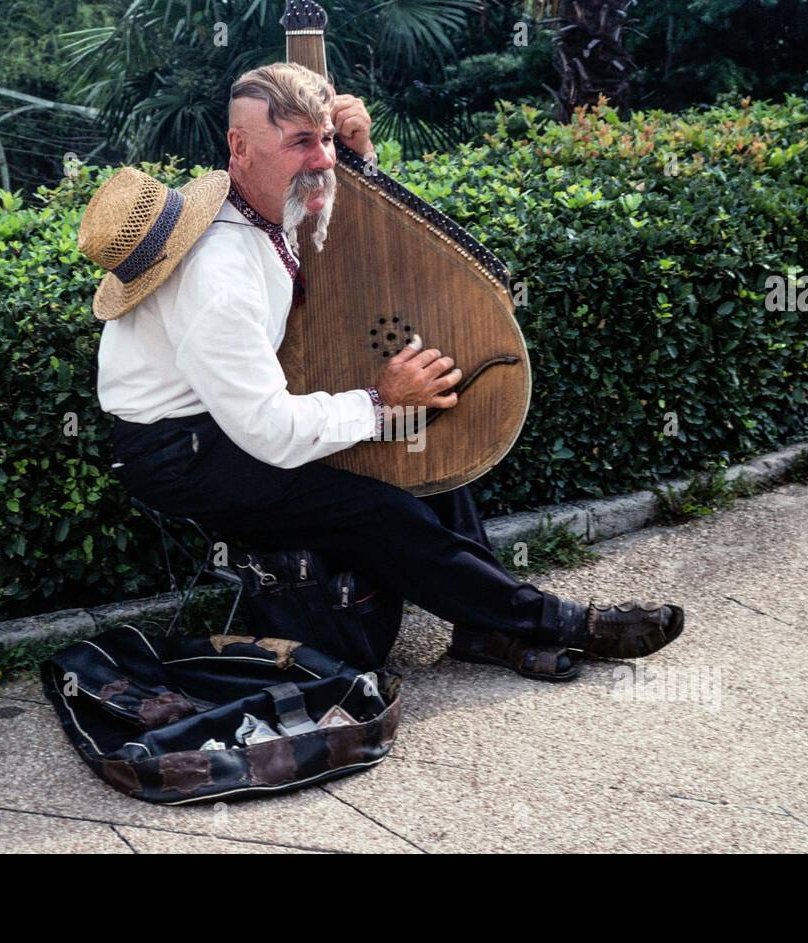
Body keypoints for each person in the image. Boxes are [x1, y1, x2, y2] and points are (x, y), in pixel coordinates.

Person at [80, 62, 685, 682]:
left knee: (420, 443)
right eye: (300, 143)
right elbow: (269, 432)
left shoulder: (265, 195)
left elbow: (353, 228)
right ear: (240, 148)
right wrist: (381, 398)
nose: (321, 159)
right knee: (374, 506)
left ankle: (483, 627)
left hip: (237, 411)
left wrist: (361, 157)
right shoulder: (218, 277)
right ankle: (554, 621)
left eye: (323, 138)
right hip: (185, 451)